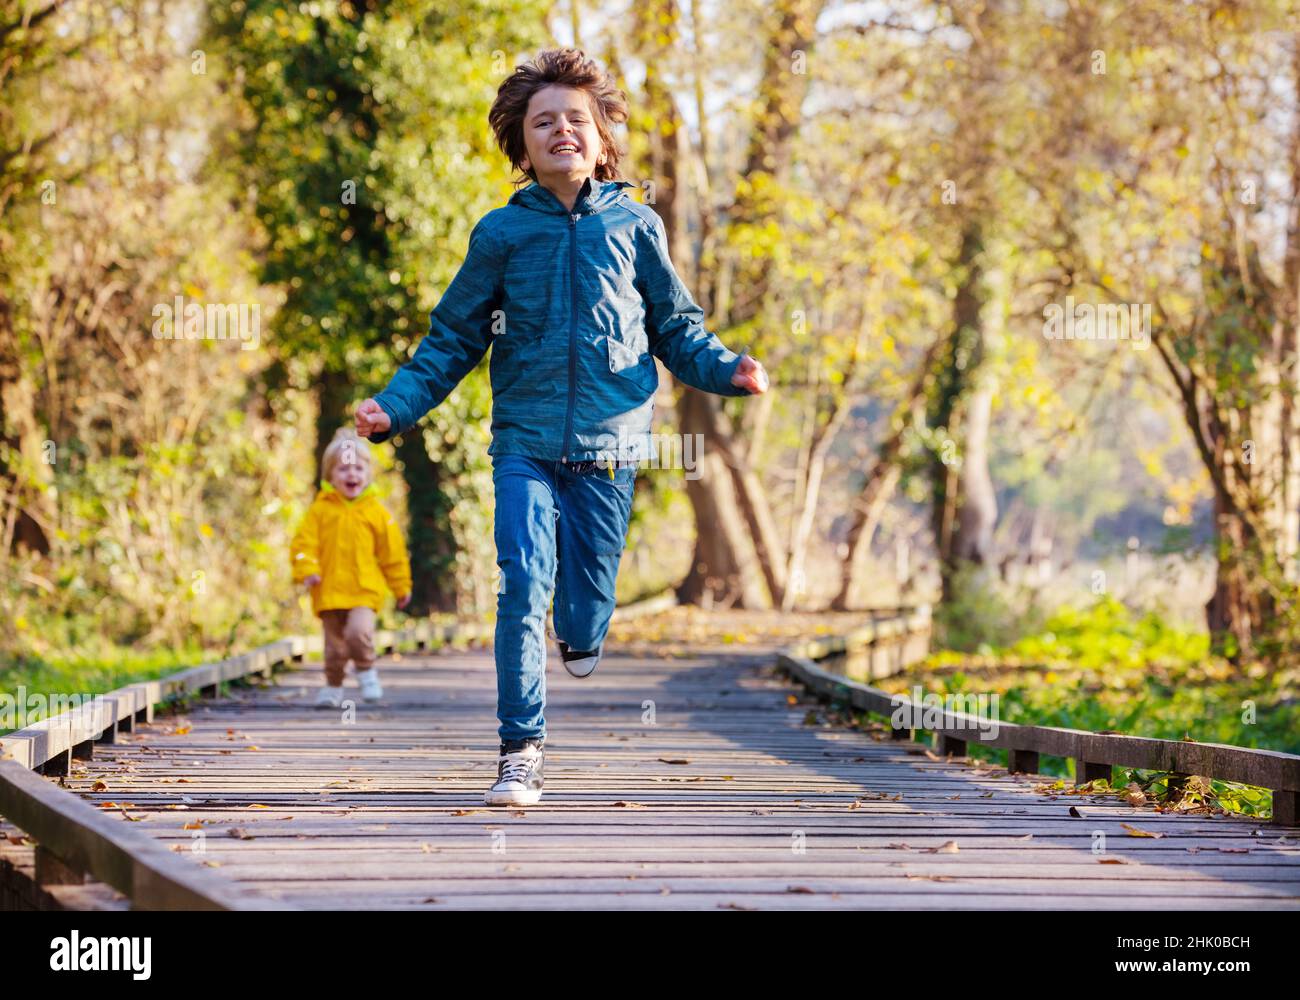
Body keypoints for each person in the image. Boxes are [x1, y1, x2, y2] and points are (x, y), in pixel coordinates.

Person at [355, 48, 768, 806]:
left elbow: (677, 330)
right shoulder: (500, 235)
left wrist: (727, 368)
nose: (561, 132)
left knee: (584, 607)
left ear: (603, 137)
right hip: (526, 441)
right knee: (521, 580)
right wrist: (395, 406)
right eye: (543, 123)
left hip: (611, 445)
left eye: (575, 119)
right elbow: (452, 340)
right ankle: (521, 751)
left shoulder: (636, 227)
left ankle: (582, 630)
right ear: (522, 144)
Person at [290, 427, 412, 708]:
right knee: (334, 648)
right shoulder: (320, 511)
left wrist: (401, 586)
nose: (352, 474)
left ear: (368, 474)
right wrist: (307, 569)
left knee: (358, 633)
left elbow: (392, 553)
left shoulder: (376, 512)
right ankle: (333, 687)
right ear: (330, 476)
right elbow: (303, 545)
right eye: (343, 469)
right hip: (329, 591)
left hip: (364, 591)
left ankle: (367, 671)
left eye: (358, 468)